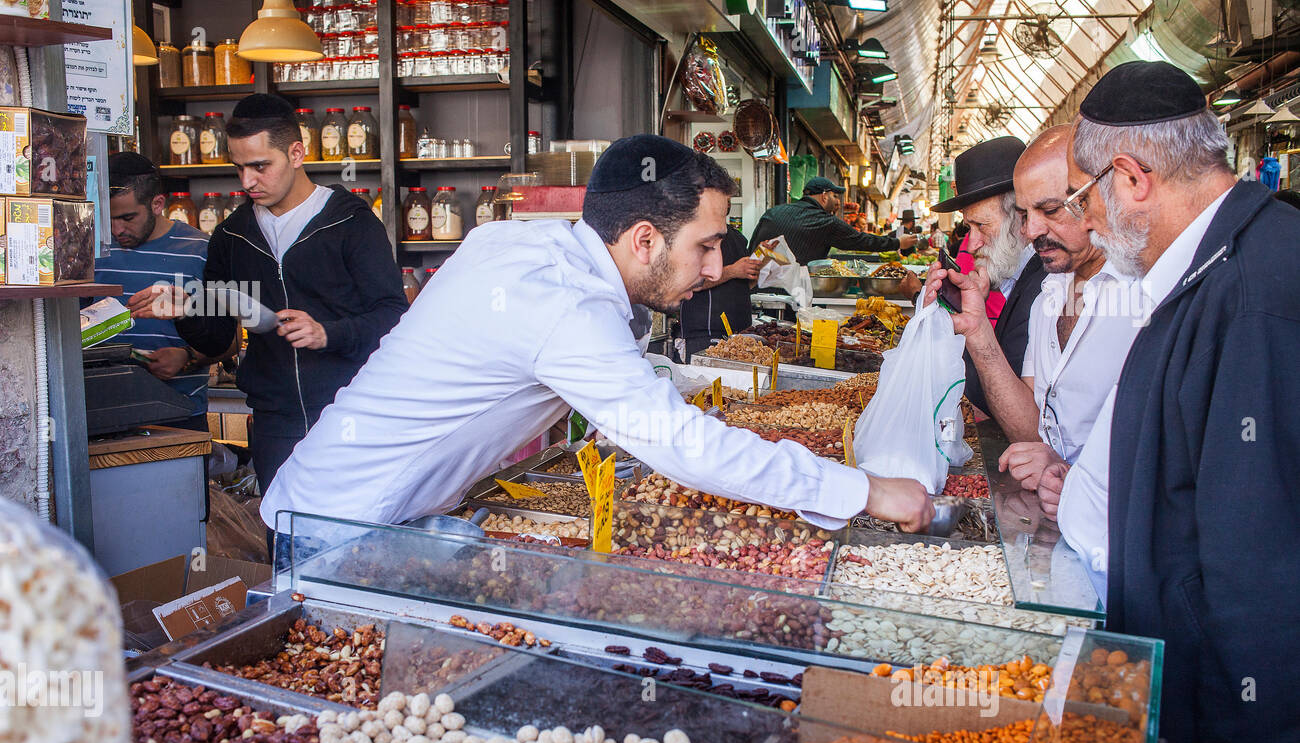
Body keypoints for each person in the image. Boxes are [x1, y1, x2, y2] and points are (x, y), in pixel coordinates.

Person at [260, 135, 933, 535]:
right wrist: (865, 491)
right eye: (704, 246)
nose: (712, 267)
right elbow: (680, 444)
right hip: (340, 525)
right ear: (643, 239)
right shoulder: (564, 305)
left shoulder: (520, 244)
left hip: (370, 506)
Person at [1041, 61, 1300, 743]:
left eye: (1085, 196)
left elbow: (1261, 543)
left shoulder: (1257, 282)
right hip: (1175, 689)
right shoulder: (1204, 261)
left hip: (1221, 729)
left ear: (1131, 176)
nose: (1090, 216)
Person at [165, 94, 407, 499]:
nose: (247, 182)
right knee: (286, 537)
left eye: (260, 166)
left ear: (296, 153)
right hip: (275, 421)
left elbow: (393, 316)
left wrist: (328, 333)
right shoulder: (232, 235)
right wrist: (187, 311)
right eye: (239, 168)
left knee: (355, 541)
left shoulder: (351, 221)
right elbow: (219, 340)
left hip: (353, 411)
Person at [925, 126, 1141, 491]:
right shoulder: (1051, 292)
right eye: (1026, 214)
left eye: (1050, 209)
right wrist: (976, 329)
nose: (1031, 230)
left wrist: (1077, 481)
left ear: (1096, 196)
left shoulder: (1141, 297)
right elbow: (1036, 430)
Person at [94, 152, 220, 430]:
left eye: (128, 217)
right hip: (103, 413)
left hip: (181, 414)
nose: (117, 229)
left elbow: (229, 339)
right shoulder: (91, 250)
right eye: (109, 218)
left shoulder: (200, 251)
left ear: (157, 204)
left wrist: (186, 357)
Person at [929, 136, 1043, 416]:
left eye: (981, 225)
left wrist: (976, 328)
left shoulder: (1046, 286)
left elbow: (1031, 422)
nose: (971, 243)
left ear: (1021, 216)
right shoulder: (1010, 279)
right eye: (969, 227)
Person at [748, 176, 917, 264]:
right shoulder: (825, 222)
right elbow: (861, 240)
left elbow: (751, 249)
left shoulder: (772, 212)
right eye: (834, 196)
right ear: (823, 197)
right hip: (795, 294)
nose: (837, 201)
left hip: (759, 291)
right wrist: (897, 243)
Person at [676, 225, 761, 359]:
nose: (727, 203)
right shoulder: (693, 234)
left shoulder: (738, 238)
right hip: (705, 336)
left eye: (729, 201)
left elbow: (745, 285)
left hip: (740, 336)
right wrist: (733, 271)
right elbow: (689, 282)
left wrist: (759, 263)